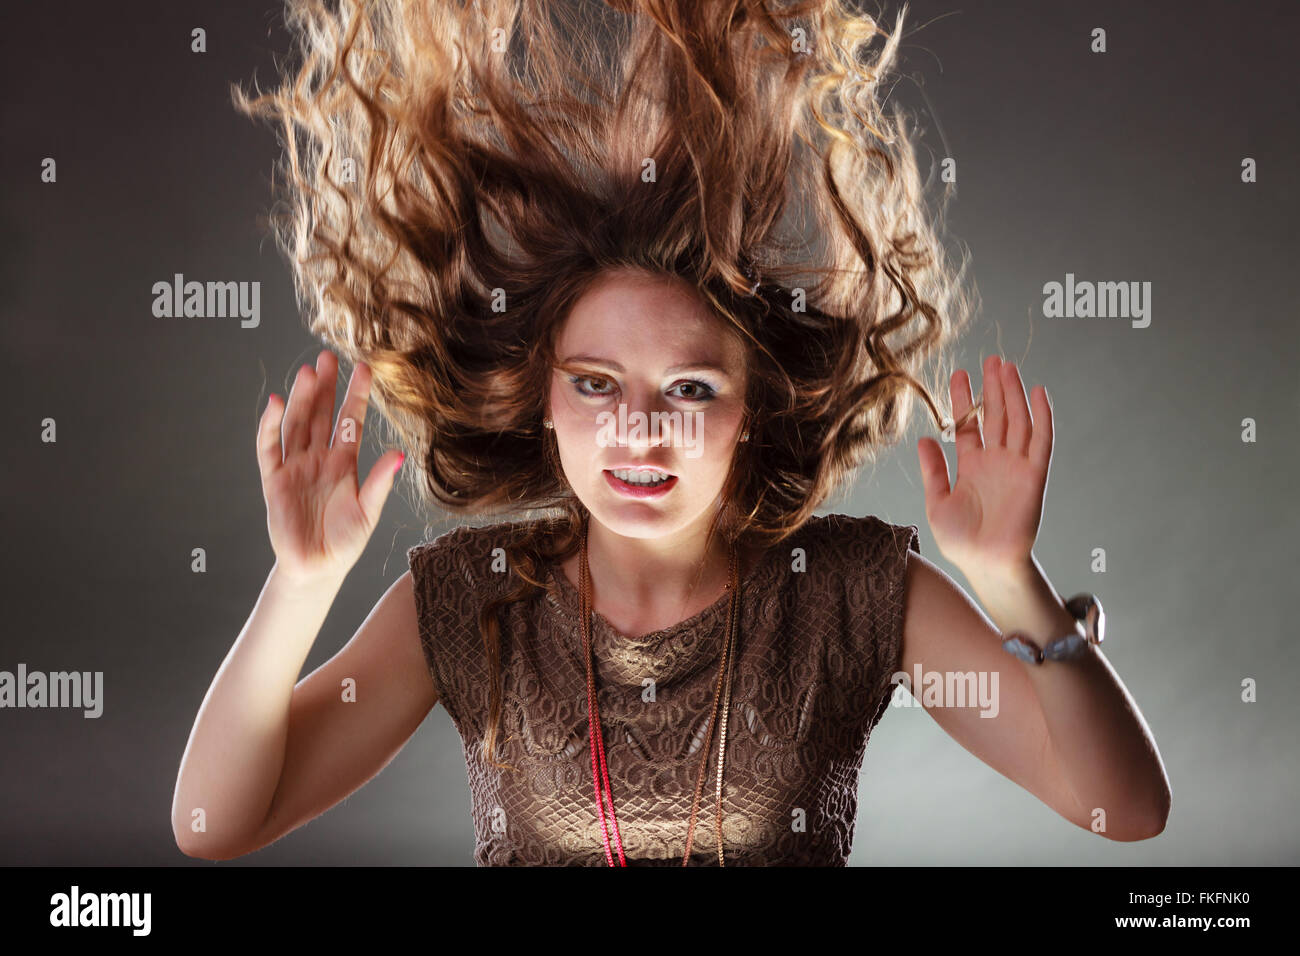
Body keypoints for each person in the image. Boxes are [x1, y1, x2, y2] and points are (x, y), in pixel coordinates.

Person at [171, 0, 1170, 865]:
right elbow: (216, 822)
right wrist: (299, 586)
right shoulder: (470, 601)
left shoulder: (858, 593)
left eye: (689, 388)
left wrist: (1008, 580)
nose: (637, 429)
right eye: (595, 383)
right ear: (543, 401)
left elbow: (1123, 808)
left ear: (752, 412)